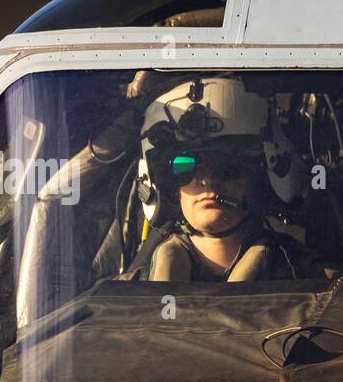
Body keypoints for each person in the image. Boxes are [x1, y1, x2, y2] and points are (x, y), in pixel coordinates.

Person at [125, 76, 330, 282]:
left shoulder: (321, 286)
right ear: (167, 186)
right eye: (184, 165)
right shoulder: (120, 299)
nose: (207, 180)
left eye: (226, 165)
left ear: (257, 178)